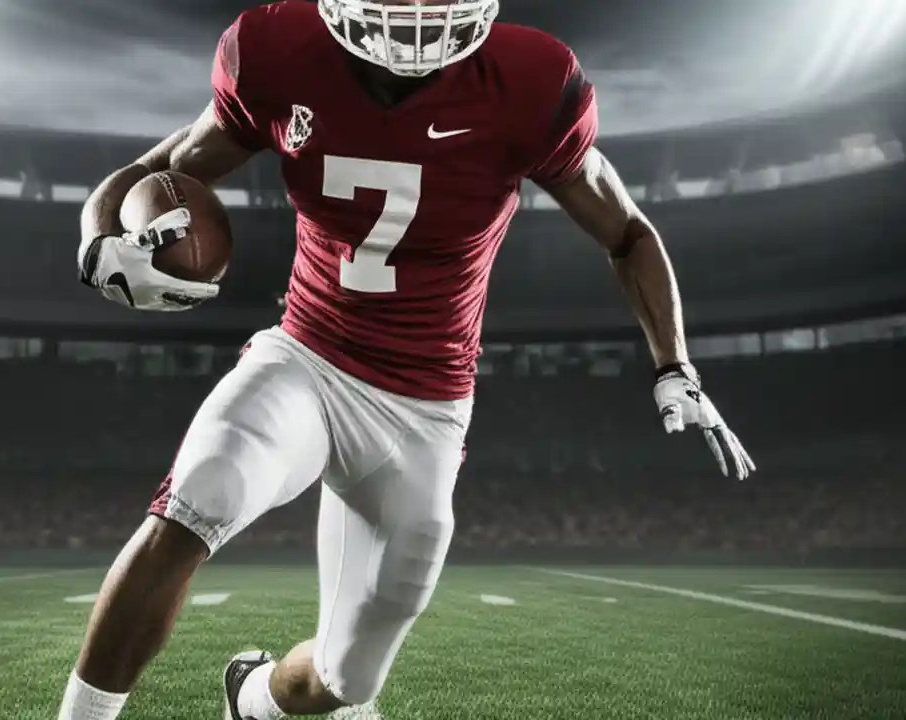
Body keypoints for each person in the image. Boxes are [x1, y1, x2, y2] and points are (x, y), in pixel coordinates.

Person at [61, 1, 755, 718]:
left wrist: (676, 367)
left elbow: (628, 232)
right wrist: (101, 234)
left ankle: (257, 700)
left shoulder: (529, 82)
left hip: (425, 410)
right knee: (199, 496)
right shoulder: (279, 51)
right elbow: (166, 173)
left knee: (346, 681)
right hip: (307, 357)